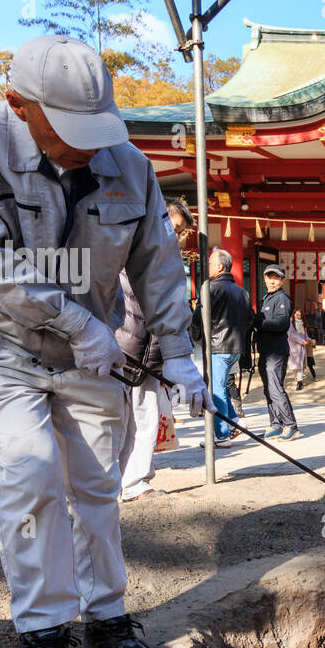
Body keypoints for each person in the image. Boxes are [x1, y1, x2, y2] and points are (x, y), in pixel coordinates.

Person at [0, 34, 207, 648]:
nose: (87, 147)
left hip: (93, 357)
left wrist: (178, 353)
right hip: (4, 344)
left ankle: (106, 616)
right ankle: (44, 628)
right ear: (19, 105)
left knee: (96, 487)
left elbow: (158, 265)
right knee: (30, 475)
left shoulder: (130, 165)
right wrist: (80, 322)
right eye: (68, 129)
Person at [117, 196, 192, 500]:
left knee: (145, 418)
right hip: (118, 349)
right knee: (113, 421)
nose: (174, 235)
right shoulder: (123, 249)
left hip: (152, 354)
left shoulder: (167, 264)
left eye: (179, 231)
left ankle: (136, 482)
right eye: (172, 226)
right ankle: (111, 485)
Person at [189, 248, 252, 447]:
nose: (207, 266)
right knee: (222, 385)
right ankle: (234, 421)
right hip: (236, 346)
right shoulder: (242, 292)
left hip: (218, 345)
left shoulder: (210, 288)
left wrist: (195, 334)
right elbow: (249, 319)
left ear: (219, 266)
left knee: (216, 389)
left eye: (209, 263)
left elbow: (199, 317)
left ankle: (222, 435)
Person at [254, 263, 301, 440]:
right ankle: (276, 424)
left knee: (275, 389)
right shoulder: (266, 298)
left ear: (282, 281)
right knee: (268, 389)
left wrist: (259, 323)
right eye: (269, 277)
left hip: (276, 351)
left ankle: (291, 425)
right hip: (265, 350)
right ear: (264, 278)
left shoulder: (282, 299)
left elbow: (282, 323)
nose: (272, 281)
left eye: (276, 278)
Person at [287, 310, 314, 391]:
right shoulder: (291, 324)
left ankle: (299, 381)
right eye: (297, 314)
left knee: (300, 366)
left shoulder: (303, 325)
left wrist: (309, 340)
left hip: (302, 348)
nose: (298, 316)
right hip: (293, 347)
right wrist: (302, 341)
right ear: (294, 314)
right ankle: (298, 379)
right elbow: (291, 335)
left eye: (300, 314)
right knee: (294, 367)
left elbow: (305, 335)